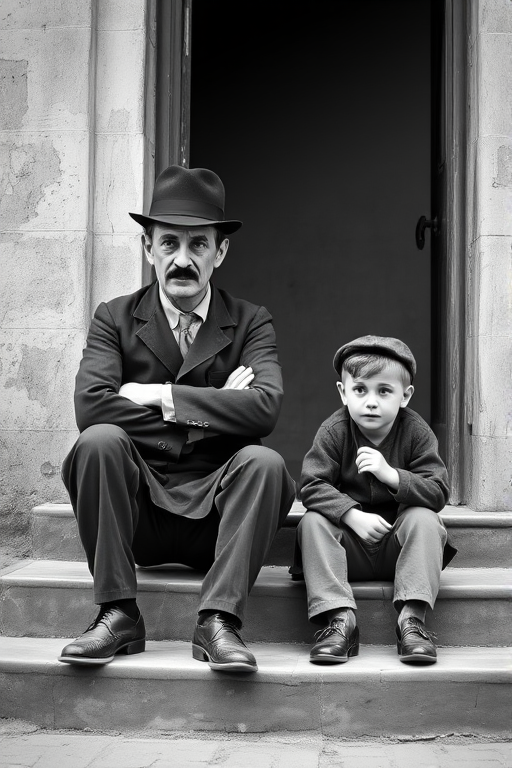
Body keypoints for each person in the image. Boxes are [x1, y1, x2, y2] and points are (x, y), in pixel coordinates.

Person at [58, 165, 295, 673]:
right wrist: (211, 412)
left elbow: (265, 408)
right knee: (99, 441)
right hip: (137, 511)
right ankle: (118, 614)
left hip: (218, 518)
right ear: (148, 248)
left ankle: (218, 623)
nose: (182, 260)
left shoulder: (252, 320)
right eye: (169, 244)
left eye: (198, 245)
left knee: (265, 462)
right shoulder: (114, 317)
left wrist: (159, 395)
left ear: (220, 252)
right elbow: (92, 406)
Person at [293, 335, 456, 665]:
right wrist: (351, 515)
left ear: (405, 396)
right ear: (343, 392)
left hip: (399, 552)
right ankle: (340, 621)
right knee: (311, 521)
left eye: (384, 391)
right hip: (347, 549)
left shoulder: (416, 432)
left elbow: (438, 491)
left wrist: (391, 475)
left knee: (425, 519)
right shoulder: (335, 430)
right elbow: (310, 485)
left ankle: (411, 622)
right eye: (360, 390)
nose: (371, 402)